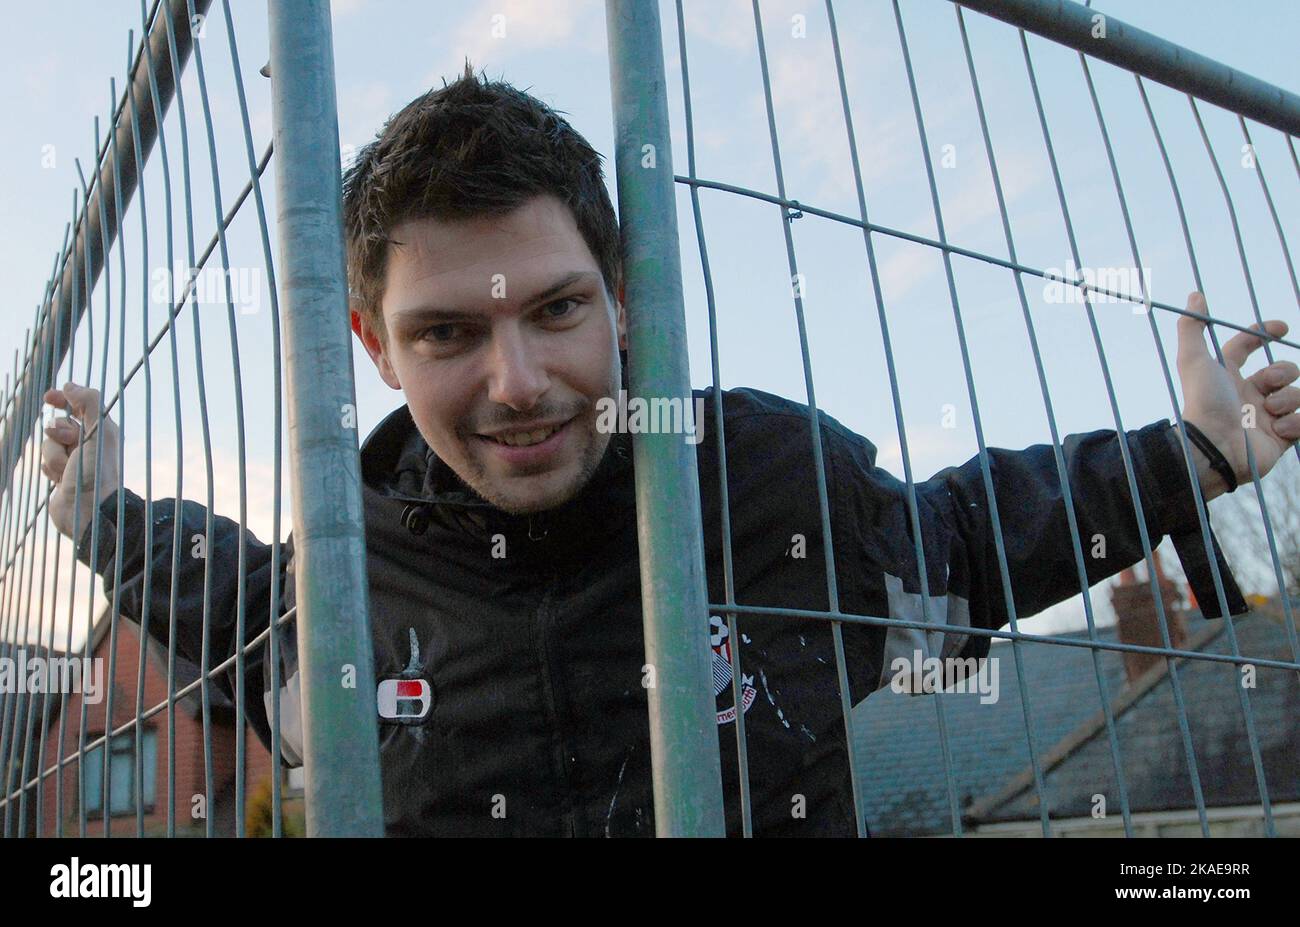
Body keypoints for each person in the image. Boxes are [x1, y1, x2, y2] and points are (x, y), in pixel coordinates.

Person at [41, 66, 1300, 836]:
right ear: (375, 346)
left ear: (625, 299)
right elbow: (222, 590)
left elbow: (969, 535)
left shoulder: (761, 484)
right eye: (447, 334)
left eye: (554, 309)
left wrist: (1194, 451)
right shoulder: (342, 579)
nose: (517, 383)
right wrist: (101, 517)